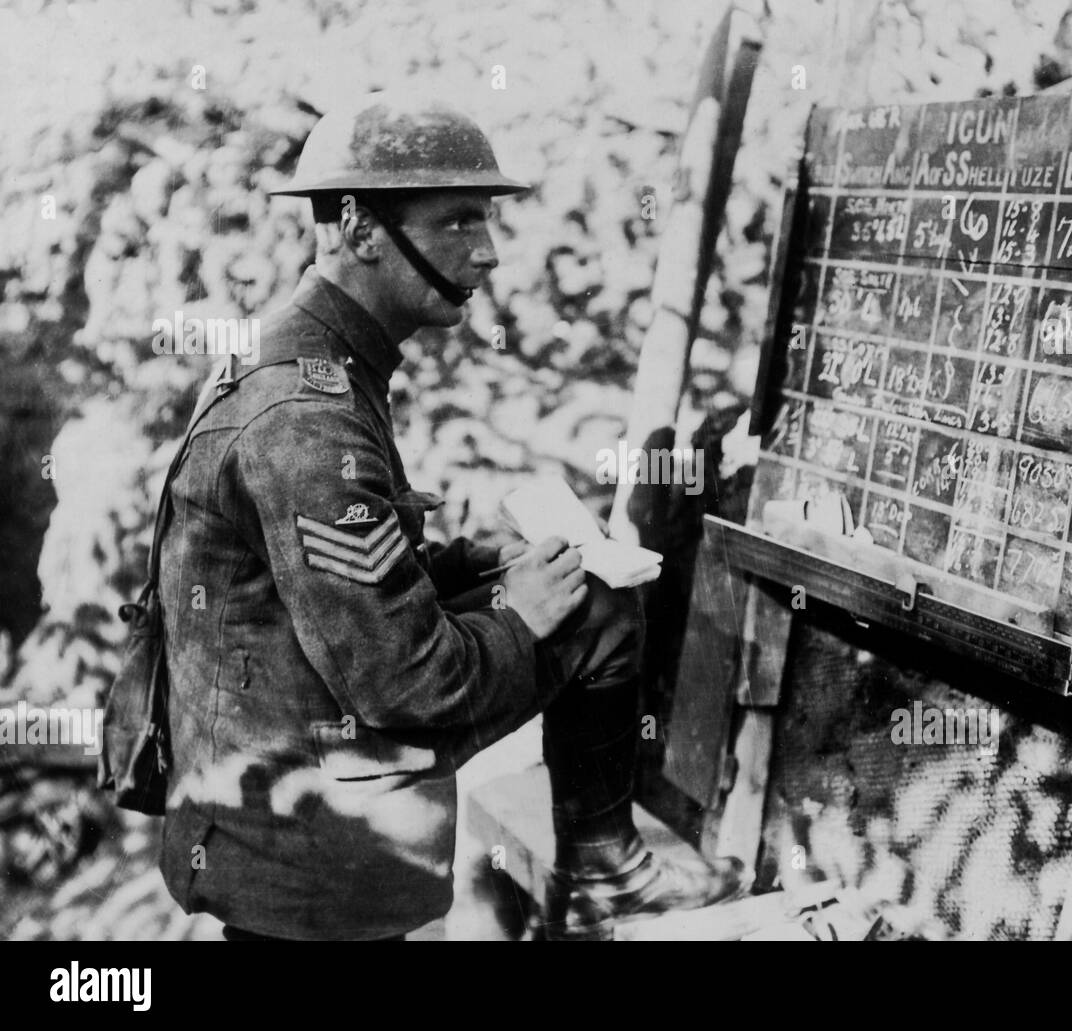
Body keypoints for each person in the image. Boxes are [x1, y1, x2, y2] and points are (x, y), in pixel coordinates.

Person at [156, 91, 749, 941]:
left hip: (286, 785)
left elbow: (321, 589)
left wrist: (475, 564)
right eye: (459, 223)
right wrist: (517, 617)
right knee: (587, 614)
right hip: (307, 850)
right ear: (359, 228)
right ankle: (603, 871)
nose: (490, 253)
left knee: (599, 608)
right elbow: (407, 681)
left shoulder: (314, 358)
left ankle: (603, 870)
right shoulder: (305, 416)